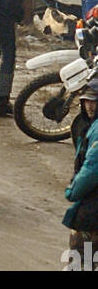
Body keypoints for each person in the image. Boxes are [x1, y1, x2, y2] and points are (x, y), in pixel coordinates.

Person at [64, 76, 98, 270]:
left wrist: (73, 190)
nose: (90, 106)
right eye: (88, 101)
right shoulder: (91, 127)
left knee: (80, 262)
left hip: (92, 208)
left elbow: (92, 169)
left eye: (95, 101)